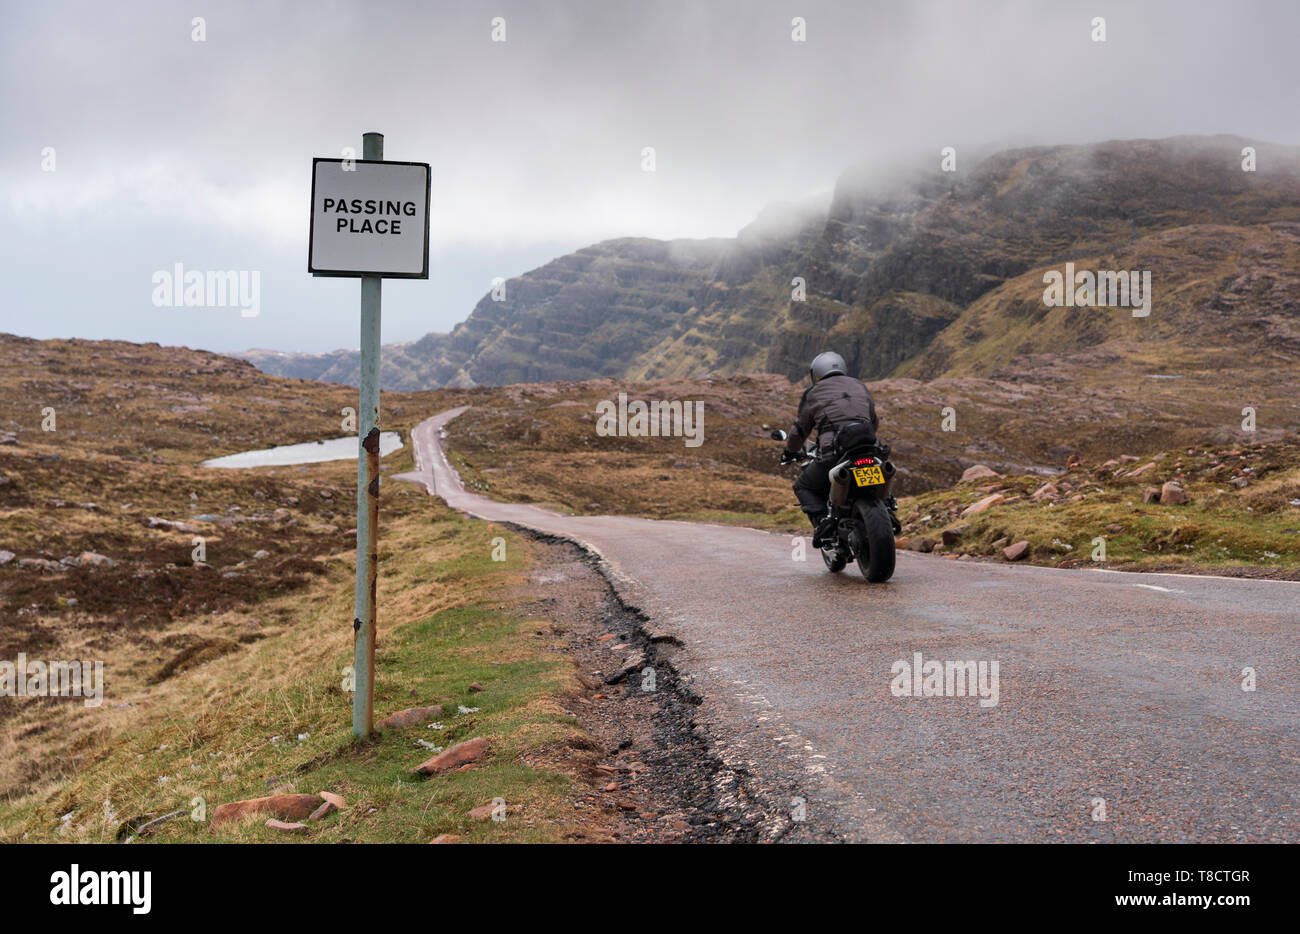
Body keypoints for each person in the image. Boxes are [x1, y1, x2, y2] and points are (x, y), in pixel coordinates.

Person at [781, 351, 879, 548]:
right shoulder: (859, 385)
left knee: (803, 486)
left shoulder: (813, 393)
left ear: (816, 373)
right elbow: (873, 420)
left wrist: (790, 452)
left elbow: (799, 430)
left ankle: (823, 524)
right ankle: (888, 505)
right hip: (870, 449)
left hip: (835, 454)